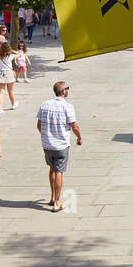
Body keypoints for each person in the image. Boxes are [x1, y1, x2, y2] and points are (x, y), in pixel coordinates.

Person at [37, 80, 81, 212]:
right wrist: (79, 137)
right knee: (59, 172)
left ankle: (52, 197)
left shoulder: (44, 105)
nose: (68, 90)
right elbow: (74, 126)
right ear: (63, 91)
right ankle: (57, 202)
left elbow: (39, 125)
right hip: (61, 145)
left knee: (52, 169)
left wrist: (46, 135)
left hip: (47, 144)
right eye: (67, 88)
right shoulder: (67, 107)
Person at [0, 41, 17, 110]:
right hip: (9, 73)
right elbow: (19, 54)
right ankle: (13, 105)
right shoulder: (10, 56)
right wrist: (11, 50)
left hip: (1, 73)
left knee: (1, 92)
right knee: (10, 91)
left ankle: (0, 108)